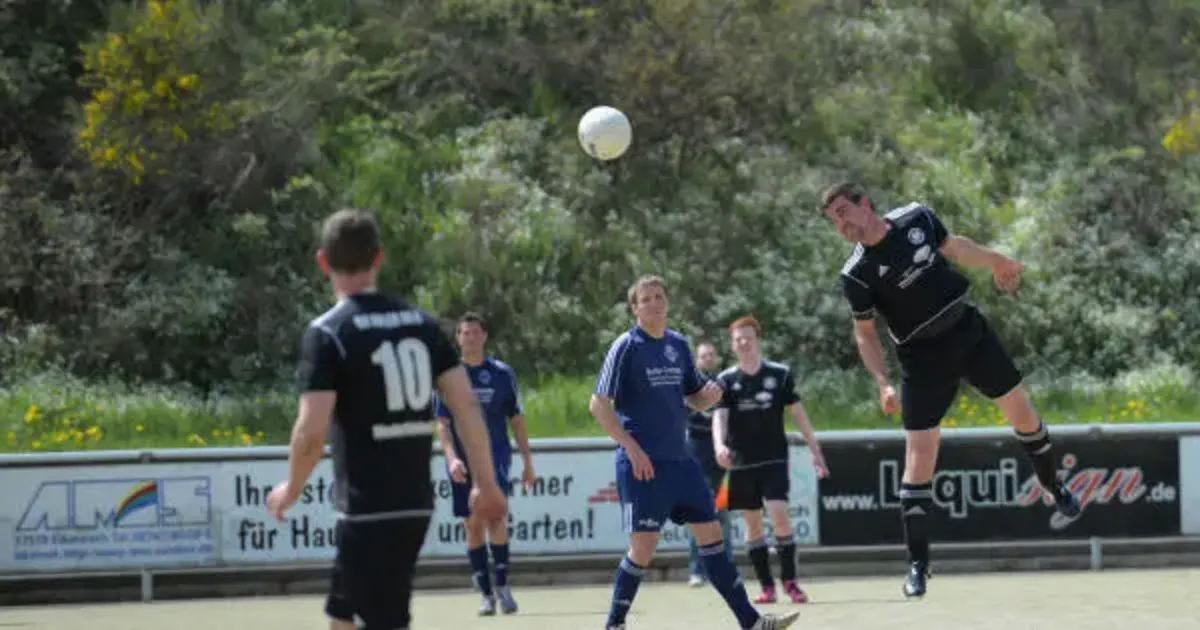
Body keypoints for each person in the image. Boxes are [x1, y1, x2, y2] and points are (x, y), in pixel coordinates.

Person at [817, 182, 1082, 598]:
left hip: (967, 331)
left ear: (865, 203)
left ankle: (1053, 484)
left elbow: (956, 248)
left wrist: (998, 262)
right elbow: (864, 333)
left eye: (843, 211)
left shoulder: (915, 217)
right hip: (922, 360)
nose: (842, 223)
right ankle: (918, 565)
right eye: (834, 220)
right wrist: (882, 383)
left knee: (1023, 414)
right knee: (919, 457)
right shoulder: (856, 272)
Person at [265, 208, 507, 630]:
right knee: (347, 615)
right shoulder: (423, 325)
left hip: (365, 509)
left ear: (323, 261)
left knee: (372, 617)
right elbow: (465, 406)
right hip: (414, 501)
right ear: (379, 258)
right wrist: (486, 485)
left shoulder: (329, 334)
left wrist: (292, 487)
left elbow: (310, 432)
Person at [589, 275, 800, 630]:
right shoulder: (626, 345)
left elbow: (696, 398)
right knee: (643, 549)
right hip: (643, 466)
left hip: (682, 463)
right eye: (646, 299)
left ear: (667, 302)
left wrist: (714, 392)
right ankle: (615, 623)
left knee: (712, 538)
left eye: (659, 296)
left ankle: (751, 622)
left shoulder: (678, 344)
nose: (654, 303)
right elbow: (598, 405)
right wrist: (631, 448)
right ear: (635, 307)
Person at [712, 315, 828, 605]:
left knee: (778, 513)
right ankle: (766, 586)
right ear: (732, 345)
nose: (743, 343)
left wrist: (816, 451)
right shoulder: (726, 380)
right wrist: (719, 446)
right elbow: (720, 416)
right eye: (738, 339)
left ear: (757, 340)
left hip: (774, 458)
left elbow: (799, 414)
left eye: (748, 337)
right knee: (752, 525)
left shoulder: (779, 374)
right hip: (741, 462)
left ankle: (790, 581)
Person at [434, 312, 535, 616]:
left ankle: (503, 586)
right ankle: (485, 594)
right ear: (458, 338)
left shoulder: (502, 373)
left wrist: (528, 462)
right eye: (466, 333)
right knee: (472, 524)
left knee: (496, 518)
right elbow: (443, 424)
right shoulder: (449, 376)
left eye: (477, 332)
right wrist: (451, 458)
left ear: (485, 336)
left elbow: (516, 420)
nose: (472, 338)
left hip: (496, 459)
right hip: (463, 462)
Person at [684, 341, 736, 588]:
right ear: (696, 359)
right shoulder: (687, 384)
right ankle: (696, 570)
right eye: (703, 356)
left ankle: (725, 568)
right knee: (701, 510)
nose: (707, 359)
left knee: (721, 512)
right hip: (696, 449)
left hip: (721, 451)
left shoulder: (722, 384)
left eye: (711, 356)